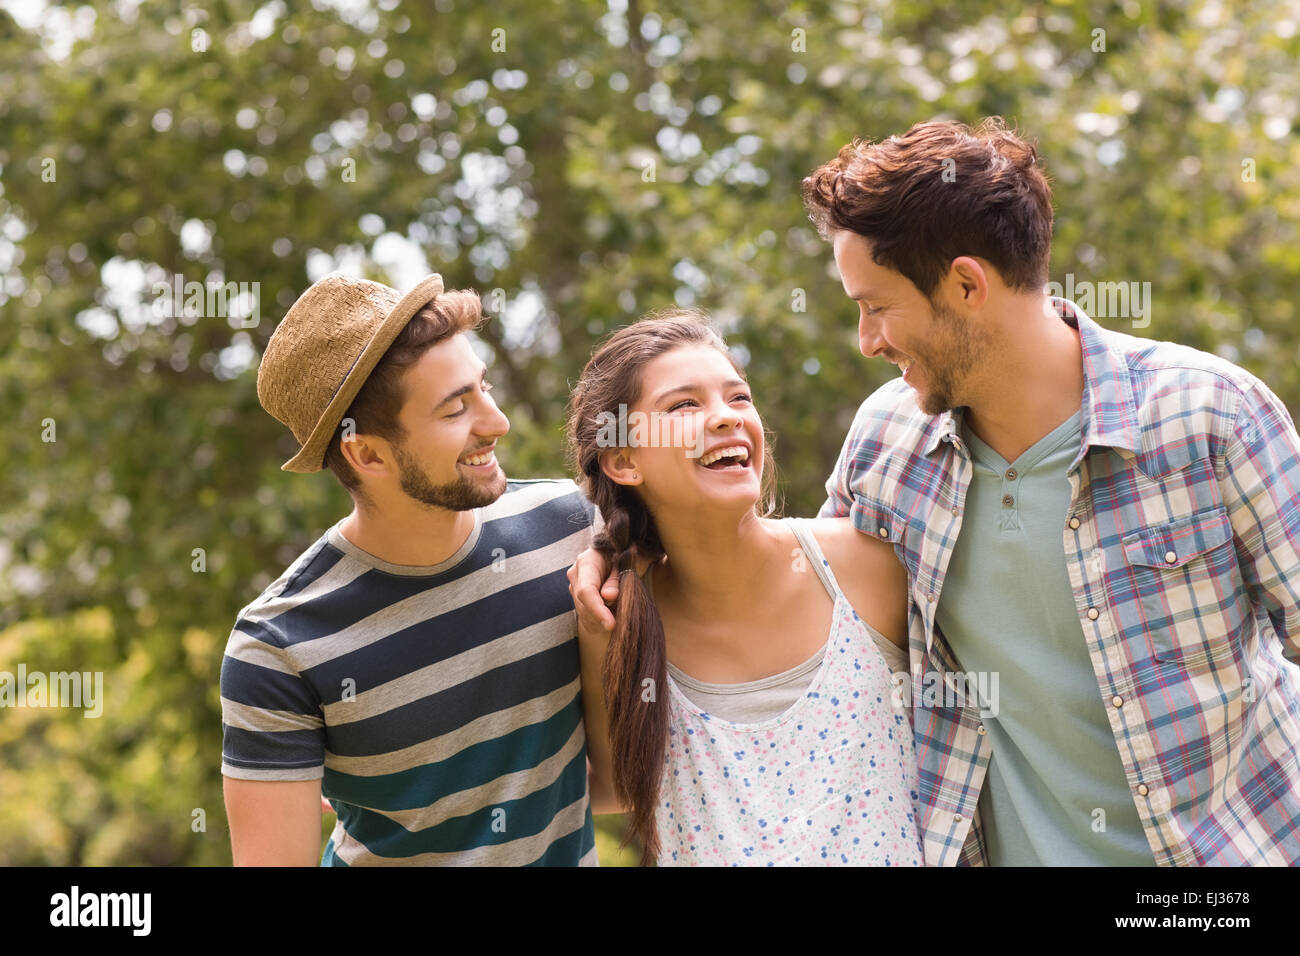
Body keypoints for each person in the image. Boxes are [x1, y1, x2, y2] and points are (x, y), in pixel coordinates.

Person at [797, 117, 1300, 865]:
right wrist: (630, 560)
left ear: (968, 284)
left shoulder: (1213, 416)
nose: (868, 340)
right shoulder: (884, 447)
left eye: (876, 306)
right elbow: (807, 625)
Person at [220, 272, 606, 866]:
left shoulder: (574, 530)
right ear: (367, 453)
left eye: (484, 388)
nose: (497, 422)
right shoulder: (277, 646)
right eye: (457, 409)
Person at [567, 311, 924, 866]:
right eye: (684, 405)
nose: (726, 418)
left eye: (738, 398)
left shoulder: (865, 568)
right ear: (624, 460)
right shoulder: (616, 619)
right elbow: (616, 785)